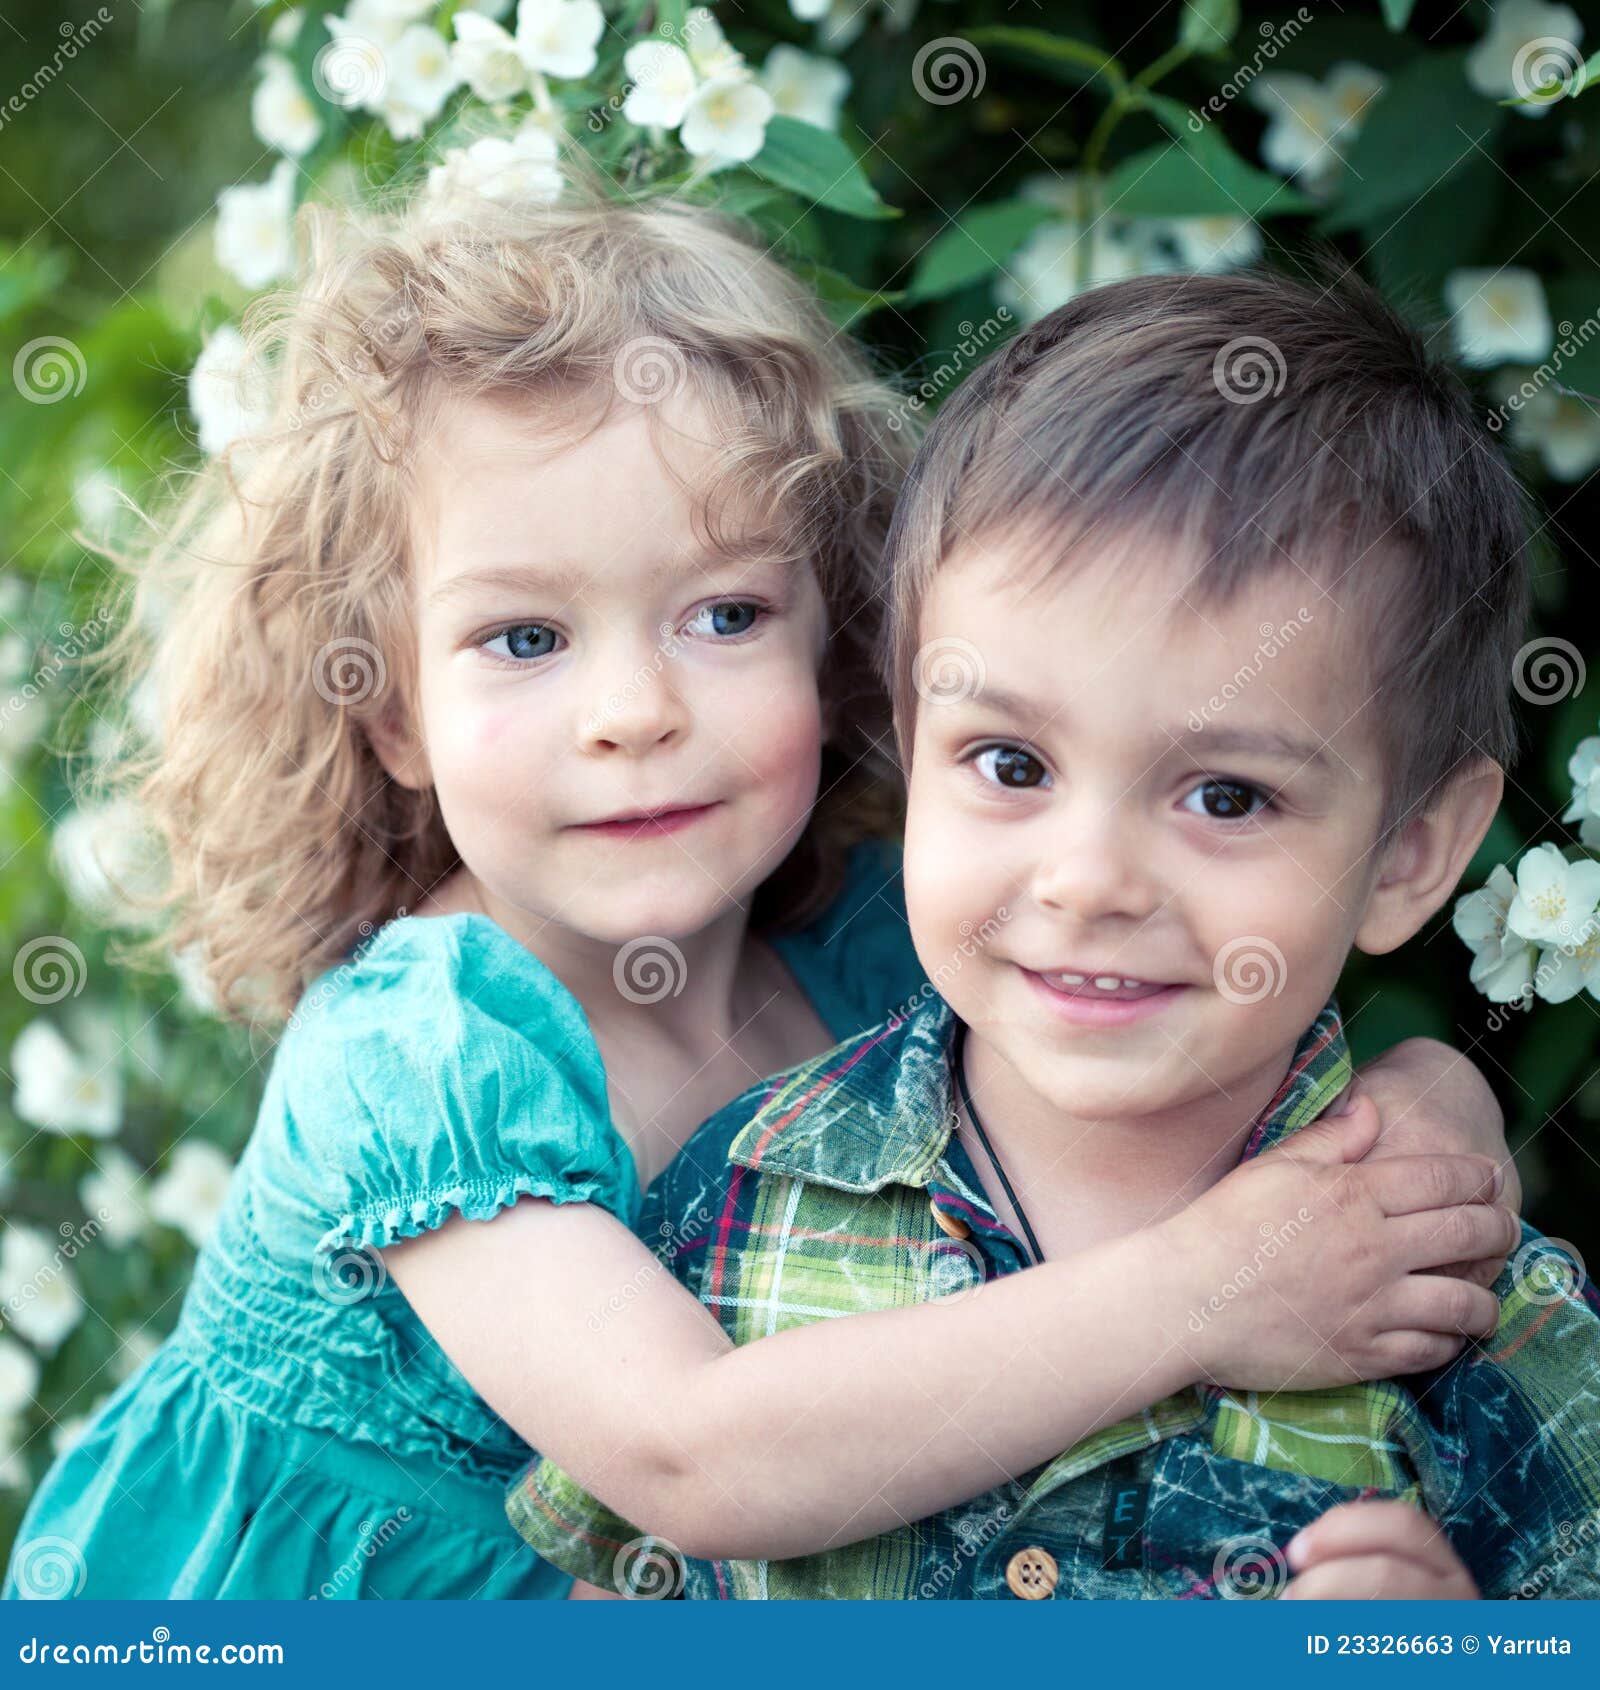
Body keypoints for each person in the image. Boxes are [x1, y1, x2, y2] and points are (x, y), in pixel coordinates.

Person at [508, 268, 1596, 1602]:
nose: (1088, 880)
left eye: (1226, 795)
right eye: (1011, 763)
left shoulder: (1457, 1307)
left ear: (1415, 848)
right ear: (910, 743)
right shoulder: (738, 1199)